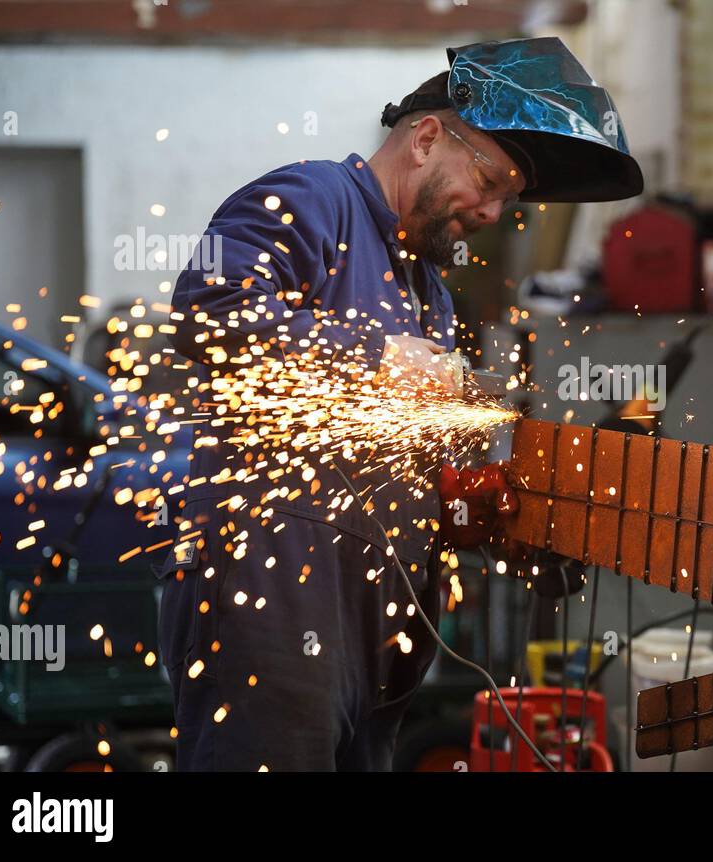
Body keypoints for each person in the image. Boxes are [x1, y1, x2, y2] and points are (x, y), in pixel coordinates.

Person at [157, 37, 642, 771]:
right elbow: (208, 309)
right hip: (271, 595)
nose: (490, 211)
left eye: (509, 199)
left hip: (377, 628)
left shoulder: (430, 295)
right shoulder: (309, 201)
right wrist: (376, 357)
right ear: (425, 139)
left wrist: (477, 512)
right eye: (488, 180)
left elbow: (403, 454)